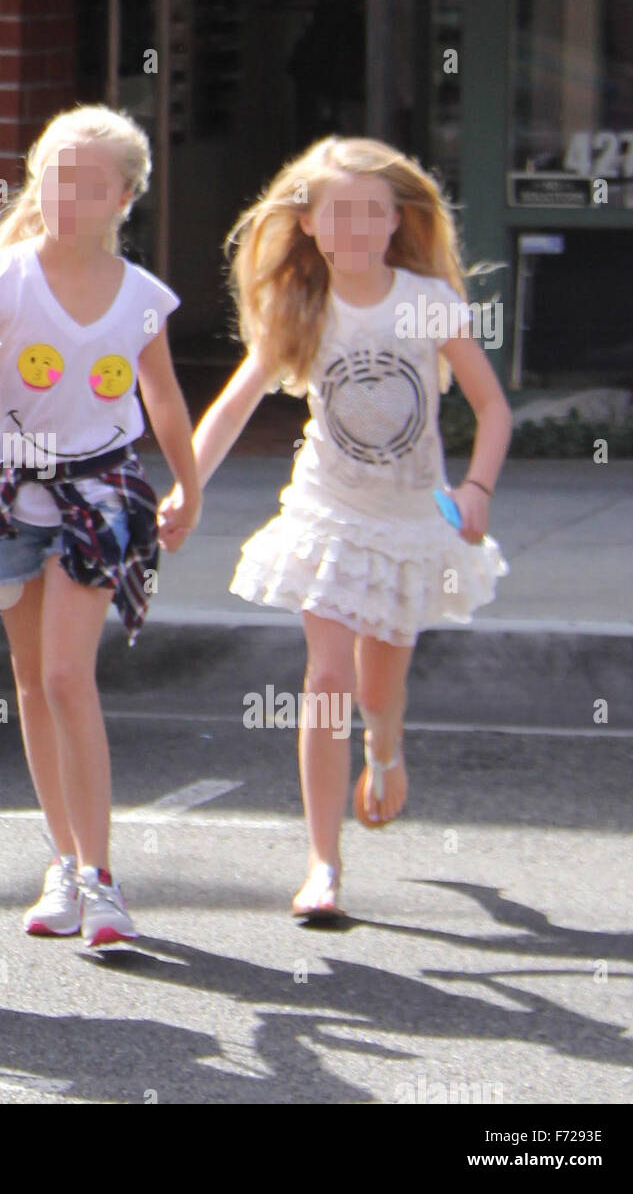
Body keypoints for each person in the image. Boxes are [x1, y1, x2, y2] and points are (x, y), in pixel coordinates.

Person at [162, 136, 510, 922]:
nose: (354, 228)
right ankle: (323, 863)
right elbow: (235, 405)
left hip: (412, 517)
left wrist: (477, 486)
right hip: (329, 514)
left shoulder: (425, 299)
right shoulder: (301, 306)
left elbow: (492, 408)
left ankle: (385, 752)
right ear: (310, 225)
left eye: (371, 213)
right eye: (338, 214)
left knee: (379, 688)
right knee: (327, 683)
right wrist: (189, 489)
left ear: (396, 222)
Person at [0, 107, 202, 947]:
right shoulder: (0, 279)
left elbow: (165, 399)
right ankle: (65, 866)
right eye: (57, 177)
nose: (70, 195)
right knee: (31, 683)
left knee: (69, 676)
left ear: (125, 198)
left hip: (97, 497)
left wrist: (189, 489)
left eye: (91, 183)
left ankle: (102, 880)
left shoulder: (141, 298)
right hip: (6, 494)